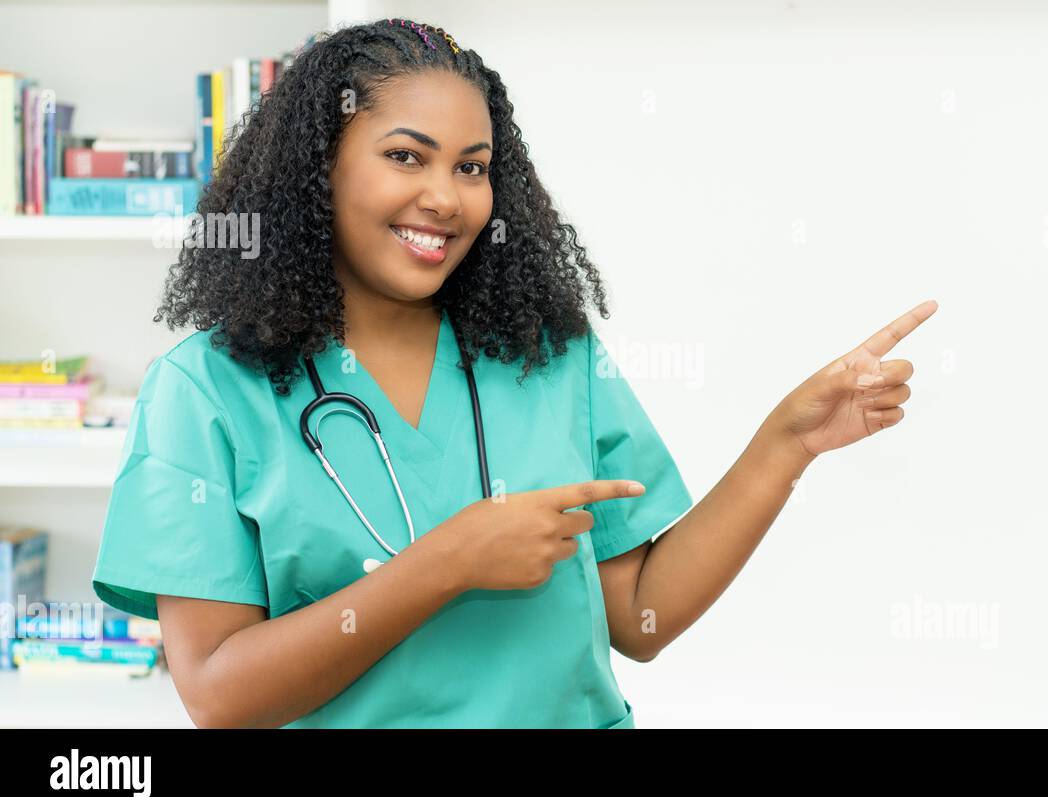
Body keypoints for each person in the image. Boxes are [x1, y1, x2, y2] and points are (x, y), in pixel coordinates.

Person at [91, 18, 937, 728]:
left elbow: (638, 618)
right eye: (406, 156)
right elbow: (218, 693)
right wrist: (450, 559)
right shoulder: (205, 391)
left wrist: (785, 444)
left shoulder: (548, 356)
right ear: (319, 170)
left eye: (471, 166)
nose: (447, 198)